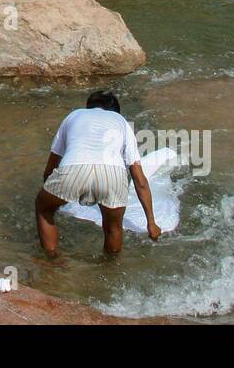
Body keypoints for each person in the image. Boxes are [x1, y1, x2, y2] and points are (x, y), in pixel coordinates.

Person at [34, 89, 160, 256]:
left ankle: (52, 261)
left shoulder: (74, 116)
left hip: (73, 168)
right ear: (115, 110)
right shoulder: (121, 121)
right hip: (112, 173)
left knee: (43, 208)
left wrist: (52, 195)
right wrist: (151, 223)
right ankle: (110, 269)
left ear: (89, 107)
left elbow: (50, 168)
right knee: (113, 228)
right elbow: (139, 179)